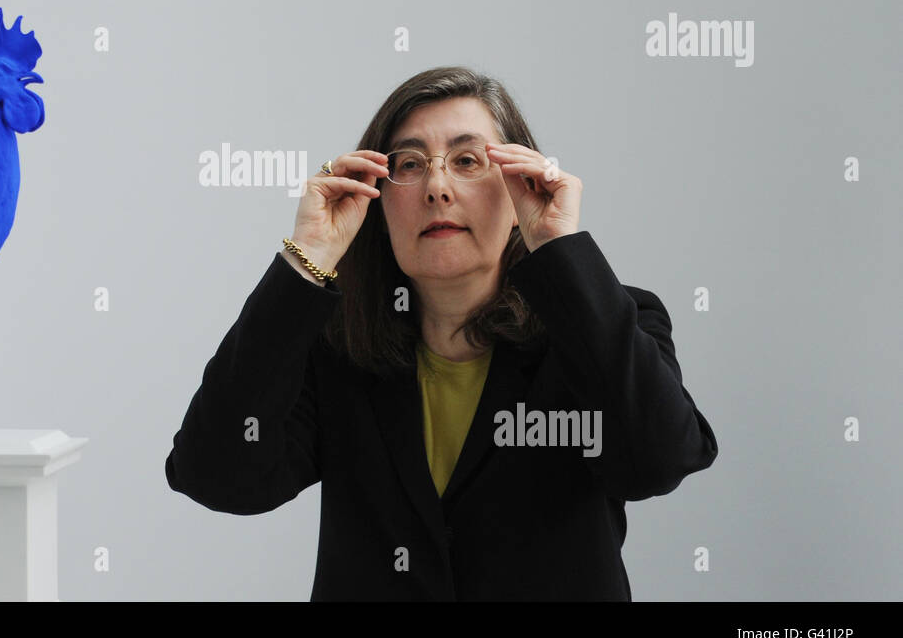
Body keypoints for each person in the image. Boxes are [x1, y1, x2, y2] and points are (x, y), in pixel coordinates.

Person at [165, 66, 719, 600]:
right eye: (407, 165)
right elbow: (215, 475)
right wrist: (306, 260)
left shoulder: (604, 323)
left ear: (521, 183)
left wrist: (558, 249)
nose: (437, 187)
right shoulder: (337, 347)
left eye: (468, 160)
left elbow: (658, 462)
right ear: (376, 200)